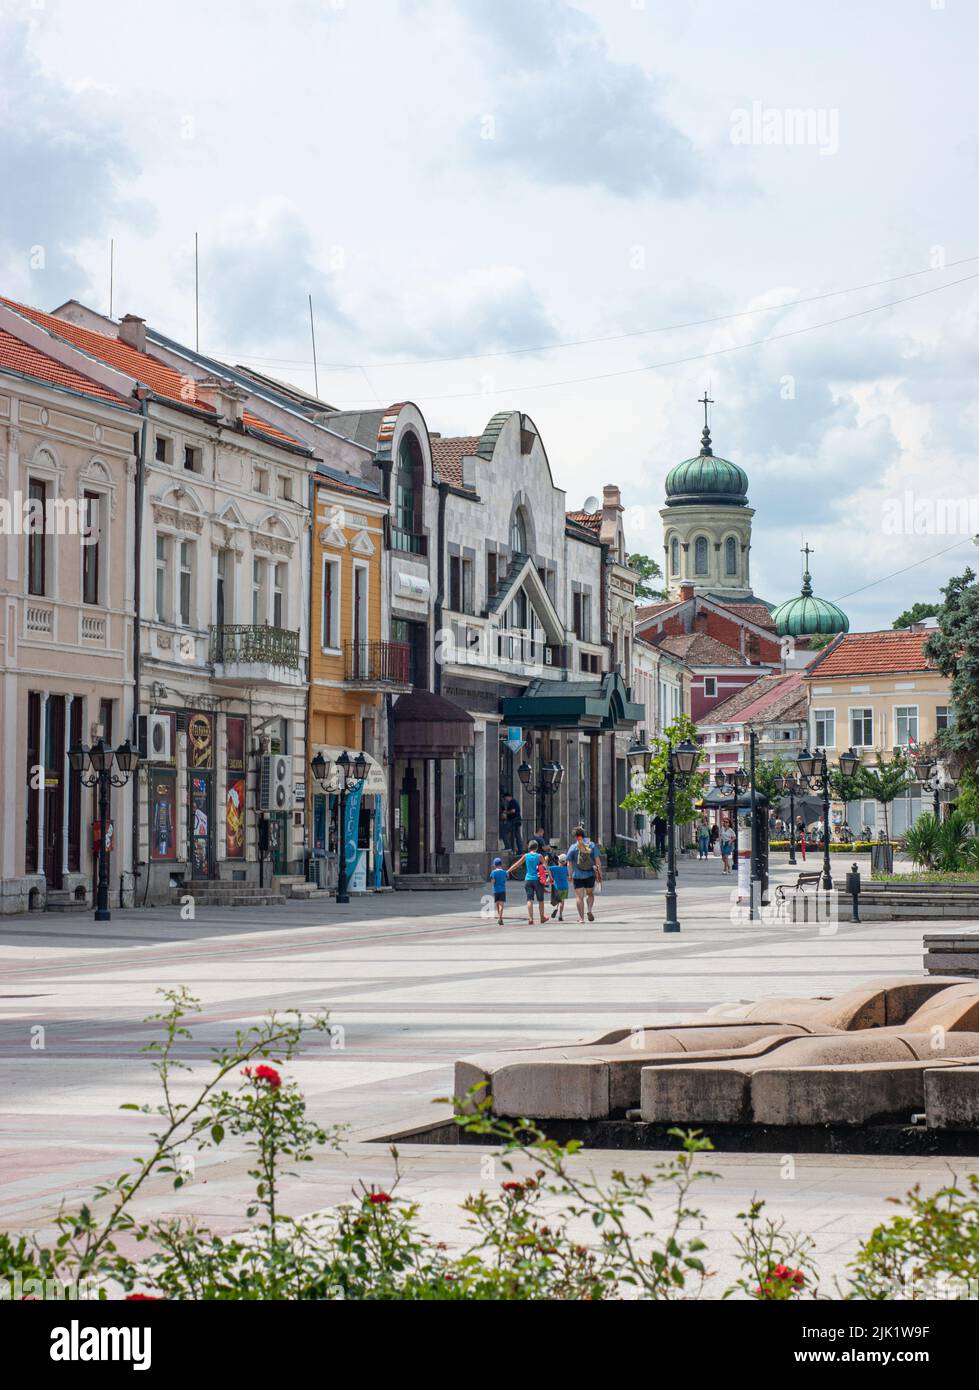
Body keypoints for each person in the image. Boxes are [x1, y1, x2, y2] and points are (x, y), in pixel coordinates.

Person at [566, 826, 603, 922]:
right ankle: (589, 910)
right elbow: (597, 860)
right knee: (590, 894)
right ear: (584, 835)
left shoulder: (573, 847)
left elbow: (569, 862)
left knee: (579, 897)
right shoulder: (591, 845)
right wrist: (599, 873)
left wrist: (570, 875)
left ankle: (581, 918)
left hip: (577, 876)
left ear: (575, 836)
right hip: (590, 874)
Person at [508, 839, 548, 926]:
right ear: (537, 848)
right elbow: (546, 867)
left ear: (529, 848)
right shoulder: (539, 856)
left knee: (529, 899)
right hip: (538, 880)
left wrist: (508, 871)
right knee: (540, 900)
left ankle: (530, 918)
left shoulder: (526, 856)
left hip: (528, 880)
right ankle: (542, 918)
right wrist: (551, 878)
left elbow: (517, 864)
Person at [549, 851, 570, 920]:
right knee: (562, 901)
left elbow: (546, 867)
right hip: (565, 887)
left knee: (557, 900)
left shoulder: (554, 868)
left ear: (558, 860)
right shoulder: (566, 869)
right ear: (565, 862)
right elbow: (569, 877)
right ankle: (560, 915)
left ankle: (555, 908)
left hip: (557, 887)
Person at [489, 856, 508, 925]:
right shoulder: (504, 872)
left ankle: (499, 917)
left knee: (497, 903)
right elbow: (505, 880)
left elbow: (493, 881)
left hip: (495, 890)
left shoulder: (493, 872)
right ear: (501, 864)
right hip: (502, 889)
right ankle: (500, 917)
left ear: (494, 865)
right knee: (501, 904)